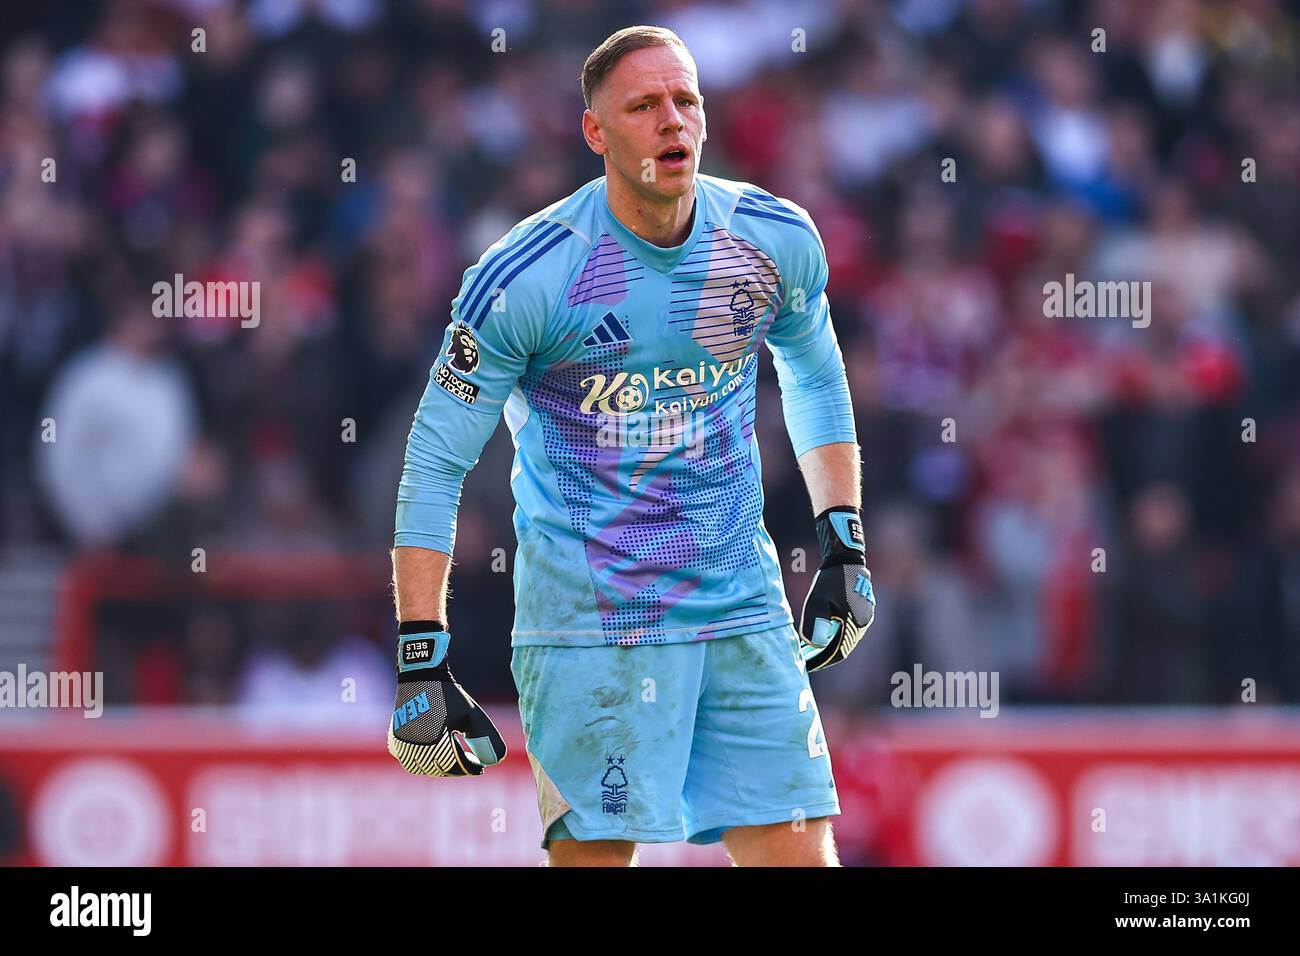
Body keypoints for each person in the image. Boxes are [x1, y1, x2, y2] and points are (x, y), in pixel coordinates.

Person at [386, 25, 874, 867]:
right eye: (644, 106)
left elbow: (816, 378)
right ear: (595, 132)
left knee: (799, 853)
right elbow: (435, 459)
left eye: (686, 101)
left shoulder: (771, 239)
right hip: (590, 624)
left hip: (738, 603)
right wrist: (420, 659)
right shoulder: (525, 278)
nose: (672, 121)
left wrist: (844, 542)